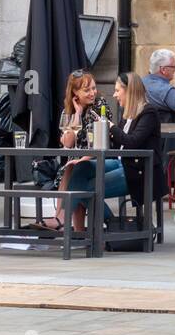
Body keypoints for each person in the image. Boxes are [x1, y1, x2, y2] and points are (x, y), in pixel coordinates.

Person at [54, 70, 127, 234]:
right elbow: (67, 142)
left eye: (93, 88)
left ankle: (61, 219)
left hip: (101, 158)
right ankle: (77, 231)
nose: (92, 93)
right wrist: (77, 115)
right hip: (78, 162)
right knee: (73, 169)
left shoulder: (100, 106)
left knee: (76, 170)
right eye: (86, 90)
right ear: (75, 93)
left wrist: (82, 159)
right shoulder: (69, 111)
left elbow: (101, 144)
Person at [109, 72, 169, 207]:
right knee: (82, 171)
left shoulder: (149, 112)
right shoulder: (127, 114)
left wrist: (112, 128)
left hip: (139, 171)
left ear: (129, 91)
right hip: (121, 165)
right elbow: (118, 145)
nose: (114, 95)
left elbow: (132, 141)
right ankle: (108, 222)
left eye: (117, 90)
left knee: (88, 187)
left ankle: (109, 221)